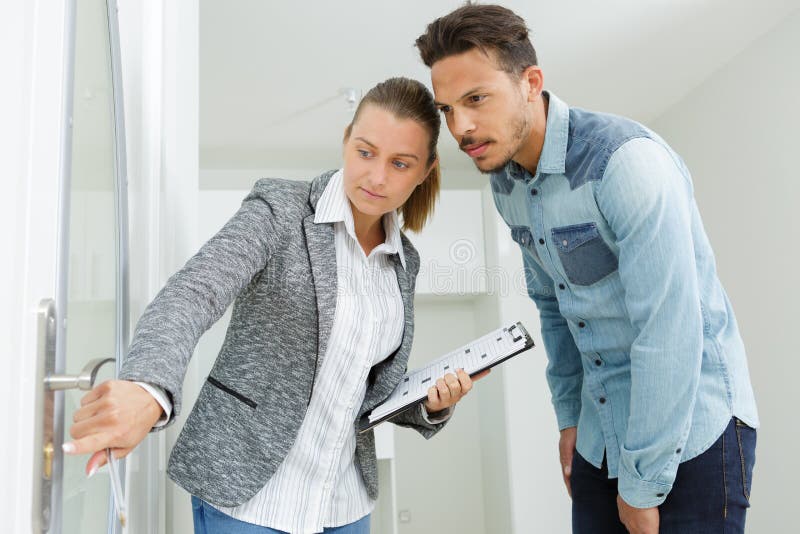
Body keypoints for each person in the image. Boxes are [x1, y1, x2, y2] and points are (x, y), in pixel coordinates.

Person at [63, 77, 487, 534]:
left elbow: (364, 392)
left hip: (343, 503)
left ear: (425, 170)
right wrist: (147, 386)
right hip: (249, 495)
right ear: (346, 140)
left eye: (400, 163)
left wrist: (431, 404)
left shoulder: (405, 262)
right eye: (365, 152)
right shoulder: (281, 209)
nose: (377, 176)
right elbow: (194, 292)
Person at [415, 4, 758, 533]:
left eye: (476, 99)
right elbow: (554, 307)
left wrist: (643, 486)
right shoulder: (506, 185)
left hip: (694, 434)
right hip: (600, 433)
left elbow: (669, 329)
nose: (460, 127)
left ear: (531, 83)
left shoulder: (625, 163)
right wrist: (571, 418)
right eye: (447, 109)